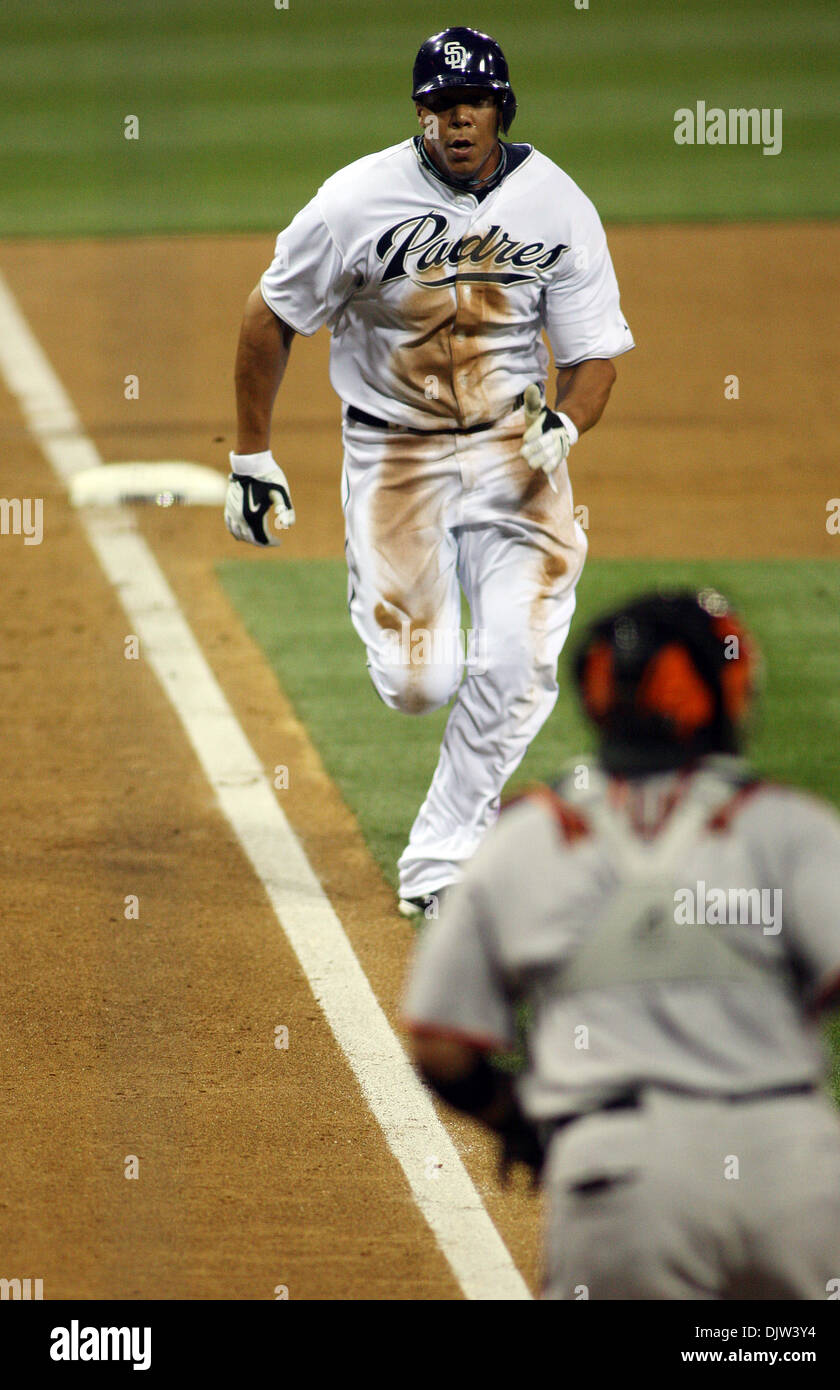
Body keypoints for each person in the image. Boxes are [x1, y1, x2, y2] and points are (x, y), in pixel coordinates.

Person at [224, 26, 634, 915]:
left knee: (520, 662)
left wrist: (565, 422)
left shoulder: (557, 203)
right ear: (420, 114)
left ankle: (442, 863)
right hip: (393, 454)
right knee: (421, 684)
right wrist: (252, 455)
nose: (454, 121)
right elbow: (270, 318)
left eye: (471, 104)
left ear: (500, 108)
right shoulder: (355, 202)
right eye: (438, 106)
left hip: (513, 454)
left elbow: (594, 355)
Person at [403, 588, 840, 1299]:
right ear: (723, 694)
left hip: (620, 1182)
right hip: (794, 1176)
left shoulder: (527, 835)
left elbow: (440, 1043)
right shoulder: (790, 826)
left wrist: (518, 1123)